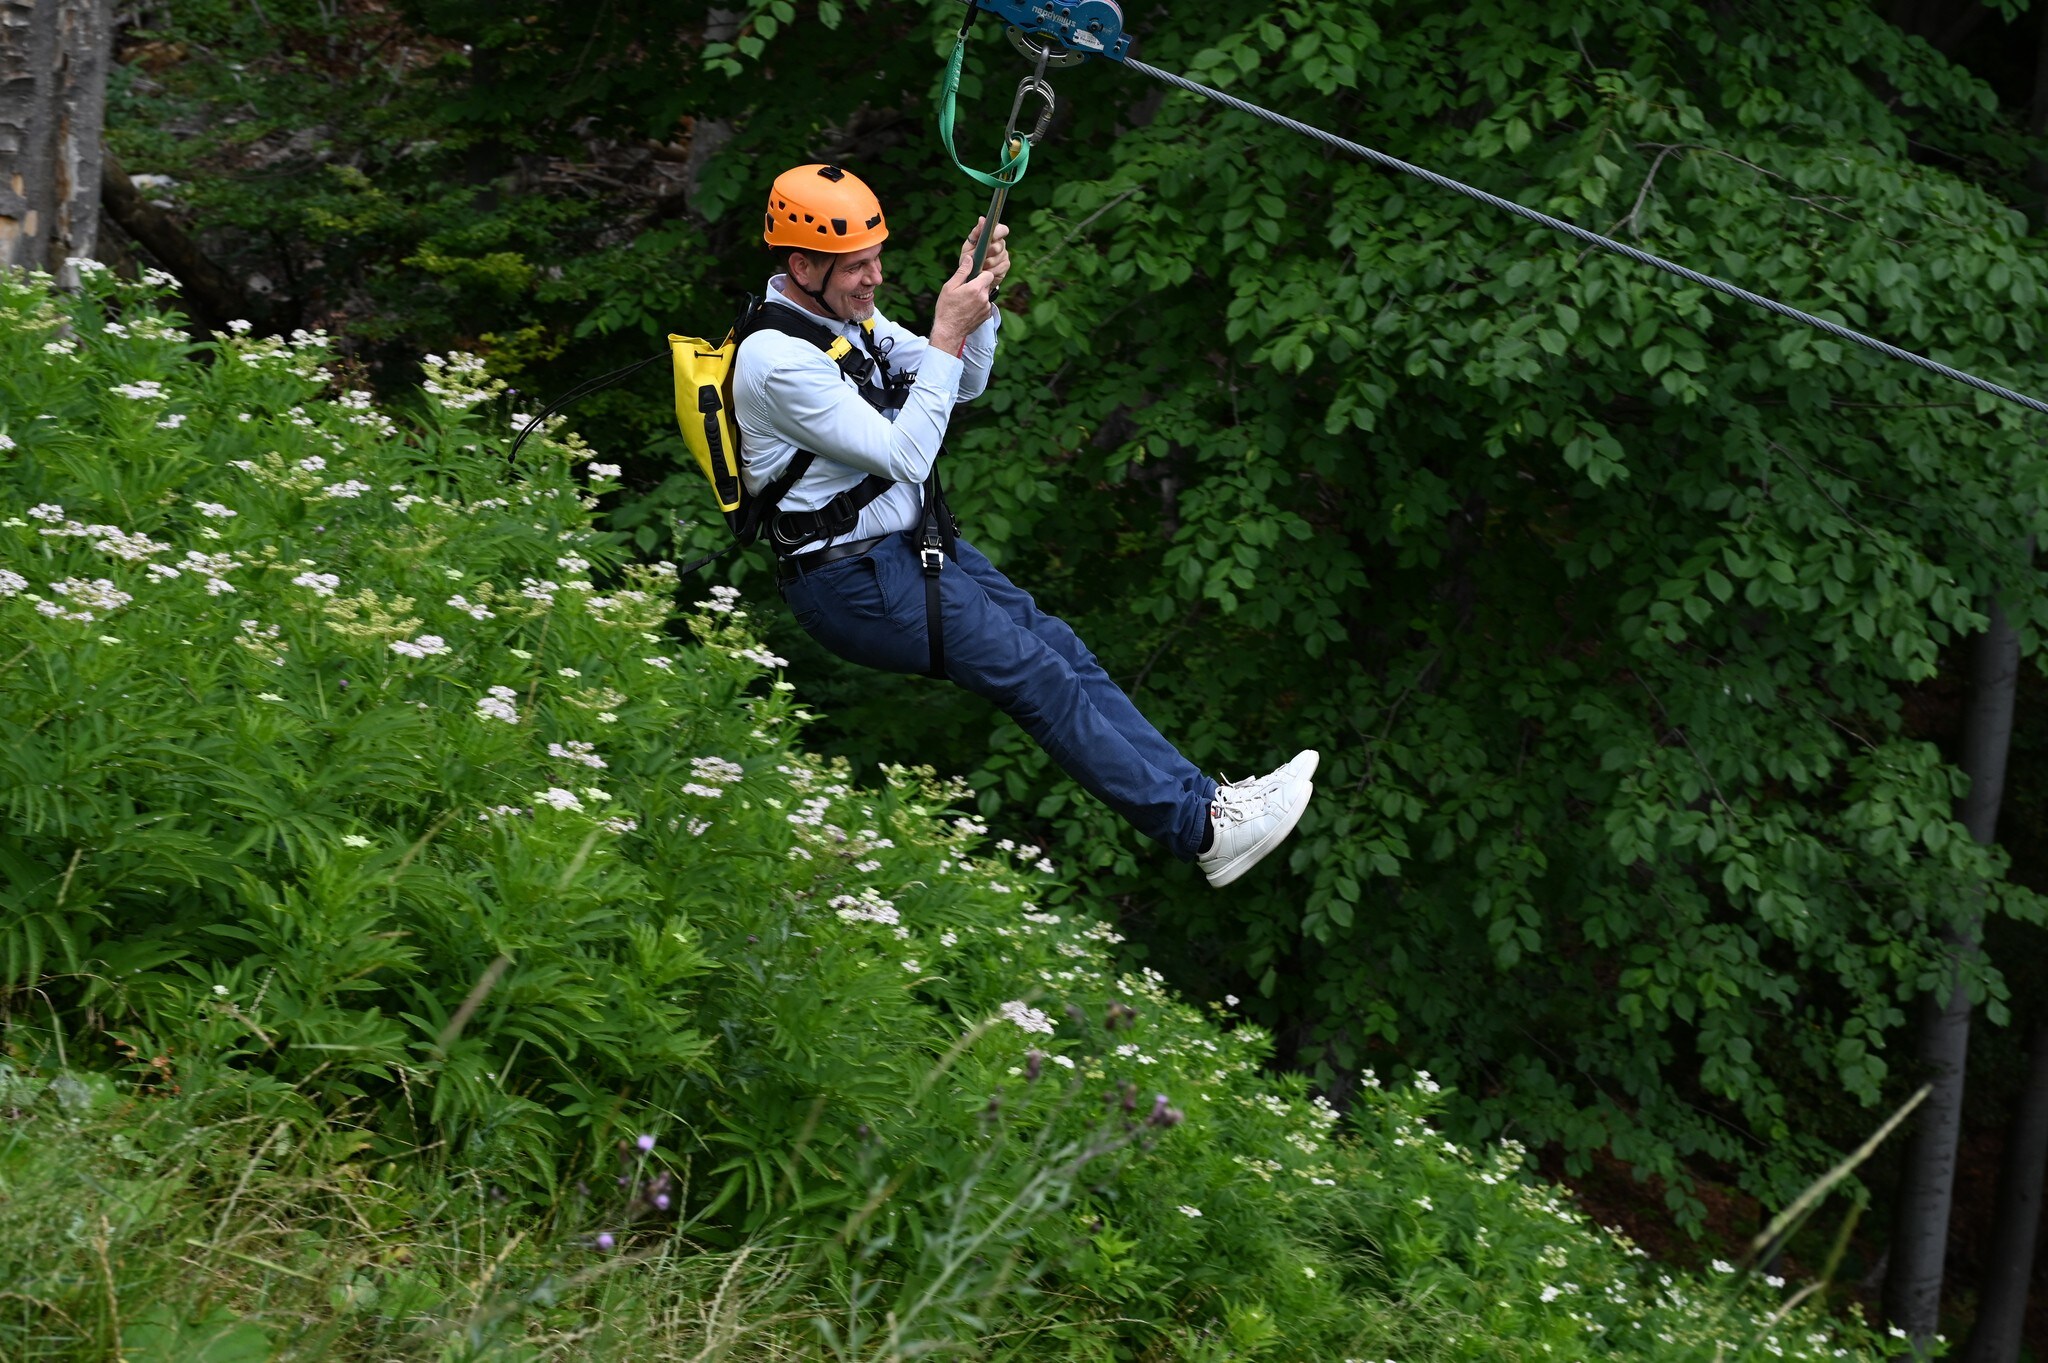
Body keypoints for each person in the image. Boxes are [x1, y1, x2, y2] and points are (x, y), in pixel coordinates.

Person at [734, 163, 1315, 887]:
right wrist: (947, 330)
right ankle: (1201, 834)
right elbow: (907, 453)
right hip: (849, 581)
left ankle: (1210, 805)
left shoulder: (851, 324)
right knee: (1039, 676)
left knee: (1063, 650)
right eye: (857, 267)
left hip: (907, 549)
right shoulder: (776, 361)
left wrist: (976, 303)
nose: (875, 278)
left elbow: (963, 383)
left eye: (877, 259)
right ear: (802, 266)